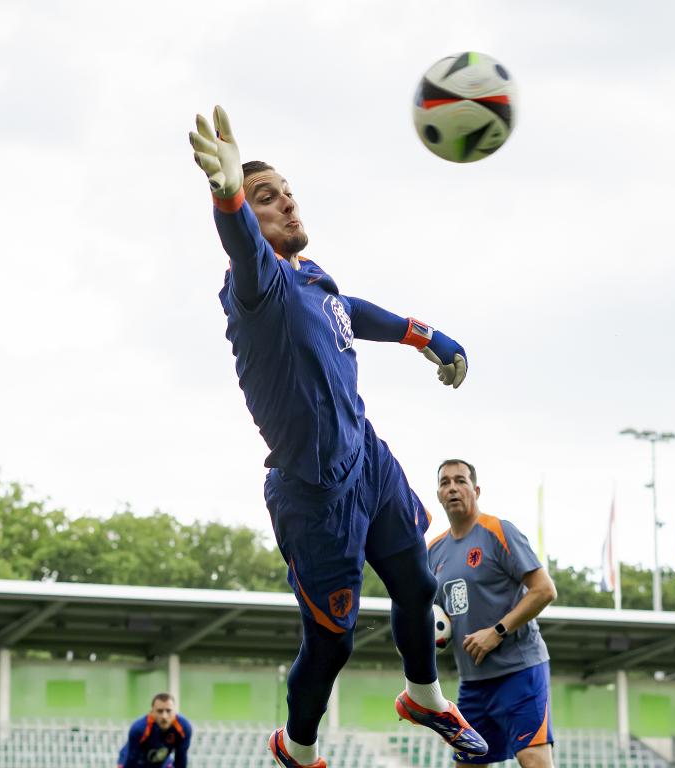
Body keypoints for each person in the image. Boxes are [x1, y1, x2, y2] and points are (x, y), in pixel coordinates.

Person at [188, 106, 487, 768]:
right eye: (268, 199)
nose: (286, 204)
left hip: (367, 460)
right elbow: (239, 239)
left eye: (288, 193)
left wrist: (424, 335)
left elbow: (349, 311)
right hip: (313, 493)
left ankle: (424, 697)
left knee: (415, 586)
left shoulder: (312, 277)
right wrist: (228, 195)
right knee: (333, 643)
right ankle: (297, 746)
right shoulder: (256, 287)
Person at [428, 459, 558, 768]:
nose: (452, 488)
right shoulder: (433, 551)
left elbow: (544, 590)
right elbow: (434, 613)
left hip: (520, 671)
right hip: (472, 681)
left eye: (460, 481)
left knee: (533, 758)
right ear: (438, 495)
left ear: (476, 490)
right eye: (445, 483)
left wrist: (497, 631)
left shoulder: (498, 531)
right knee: (469, 764)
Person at [117, 693, 192, 768]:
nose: (164, 716)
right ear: (152, 712)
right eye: (159, 711)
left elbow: (181, 760)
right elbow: (131, 759)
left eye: (168, 711)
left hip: (161, 760)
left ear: (175, 711)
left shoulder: (184, 727)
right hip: (133, 760)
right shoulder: (139, 728)